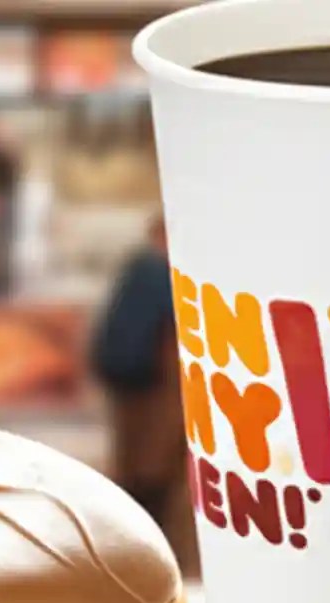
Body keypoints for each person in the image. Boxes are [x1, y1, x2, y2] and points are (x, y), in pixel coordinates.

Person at [92, 214, 197, 574]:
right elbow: (126, 354)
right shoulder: (156, 275)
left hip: (143, 405)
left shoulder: (143, 272)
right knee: (156, 491)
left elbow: (111, 355)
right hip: (157, 405)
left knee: (143, 489)